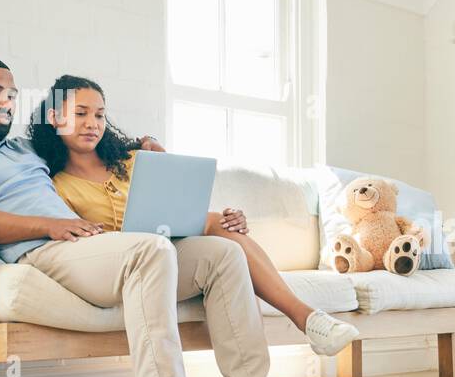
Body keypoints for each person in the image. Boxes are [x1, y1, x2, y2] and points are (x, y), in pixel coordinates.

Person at [0, 56, 326, 377]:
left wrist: (143, 146)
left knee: (222, 254)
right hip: (38, 251)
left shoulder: (22, 149)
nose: (5, 103)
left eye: (11, 94)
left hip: (84, 247)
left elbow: (81, 135)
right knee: (150, 248)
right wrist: (46, 225)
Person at [27, 73, 358, 357]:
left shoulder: (133, 161)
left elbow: (176, 210)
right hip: (133, 264)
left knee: (225, 228)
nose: (92, 124)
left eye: (99, 115)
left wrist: (225, 219)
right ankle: (306, 319)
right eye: (80, 113)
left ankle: (307, 320)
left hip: (170, 241)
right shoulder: (56, 185)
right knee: (218, 243)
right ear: (55, 117)